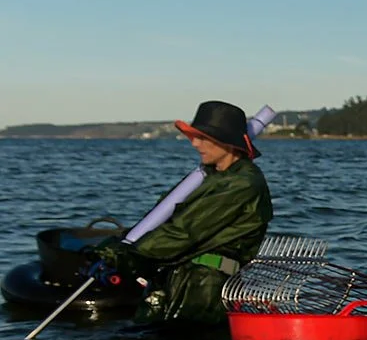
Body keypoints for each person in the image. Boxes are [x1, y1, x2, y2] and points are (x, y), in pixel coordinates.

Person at [86, 100, 273, 323]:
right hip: (183, 278)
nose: (194, 143)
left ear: (228, 143)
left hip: (205, 289)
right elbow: (170, 220)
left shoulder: (242, 184)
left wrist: (127, 255)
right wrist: (121, 241)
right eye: (194, 136)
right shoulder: (211, 177)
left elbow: (185, 231)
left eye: (203, 137)